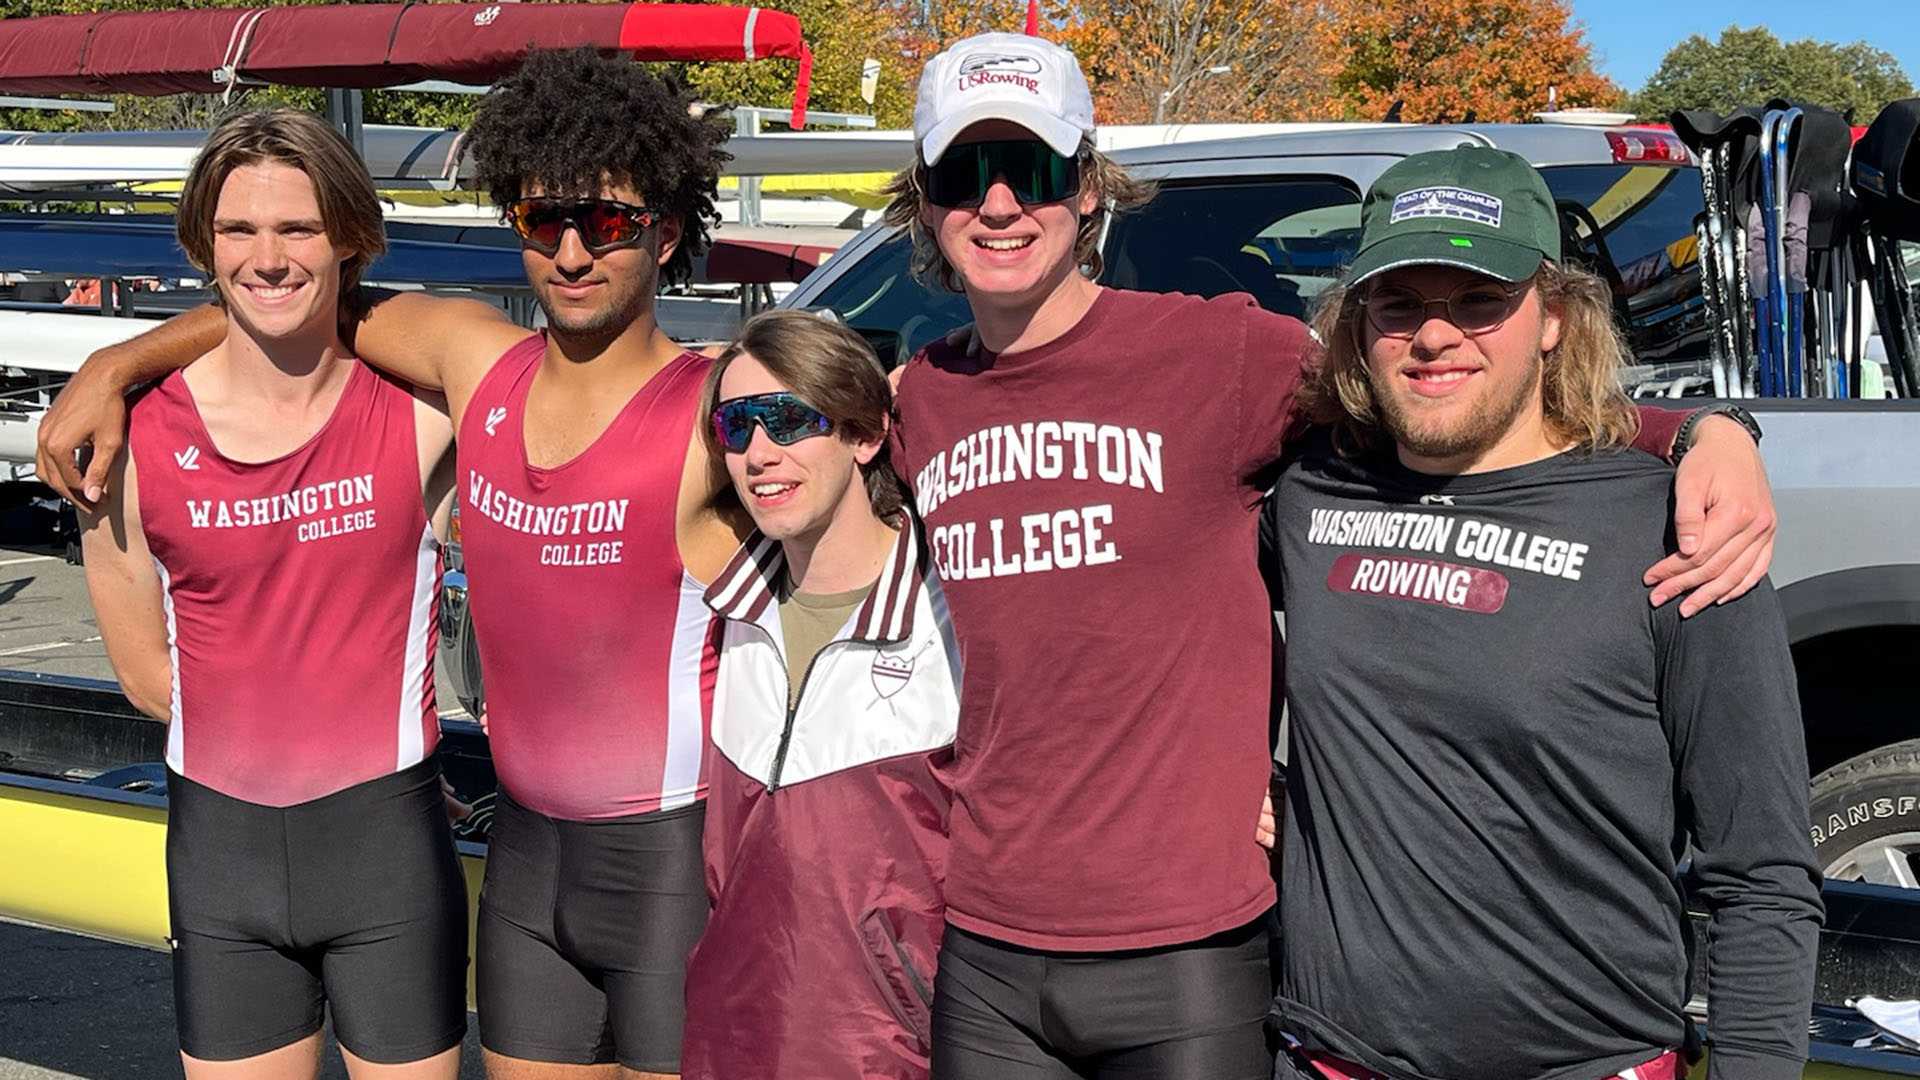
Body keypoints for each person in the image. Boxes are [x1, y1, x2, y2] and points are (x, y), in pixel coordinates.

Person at [876, 31, 1781, 1080]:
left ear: (1085, 187)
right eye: (960, 174)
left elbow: (1450, 403)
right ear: (925, 199)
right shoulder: (923, 397)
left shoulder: (1226, 356)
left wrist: (1709, 429)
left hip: (1202, 952)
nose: (996, 205)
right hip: (1025, 950)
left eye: (1029, 170)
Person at [44, 49, 741, 1080]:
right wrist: (116, 361)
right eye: (544, 223)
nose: (574, 252)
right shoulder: (470, 363)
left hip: (675, 867)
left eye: (609, 223)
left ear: (667, 232)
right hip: (524, 879)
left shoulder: (722, 405)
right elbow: (295, 298)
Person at [1266, 145, 1822, 1080]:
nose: (1435, 335)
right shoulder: (1308, 496)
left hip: (1590, 1062)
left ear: (1555, 317)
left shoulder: (1675, 525)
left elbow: (1761, 871)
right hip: (1331, 1060)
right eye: (1398, 303)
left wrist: (1717, 426)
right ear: (1357, 324)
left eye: (1479, 299)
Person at [78, 108, 464, 1080]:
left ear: (347, 236)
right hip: (224, 860)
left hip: (388, 858)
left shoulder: (426, 418)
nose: (269, 256)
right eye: (239, 230)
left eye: (297, 228)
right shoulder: (130, 441)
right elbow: (146, 675)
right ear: (203, 242)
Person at [684, 310, 960, 1080]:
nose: (759, 454)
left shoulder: (952, 615)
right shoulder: (728, 612)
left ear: (864, 435)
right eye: (735, 428)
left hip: (892, 1054)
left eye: (786, 418)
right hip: (730, 1044)